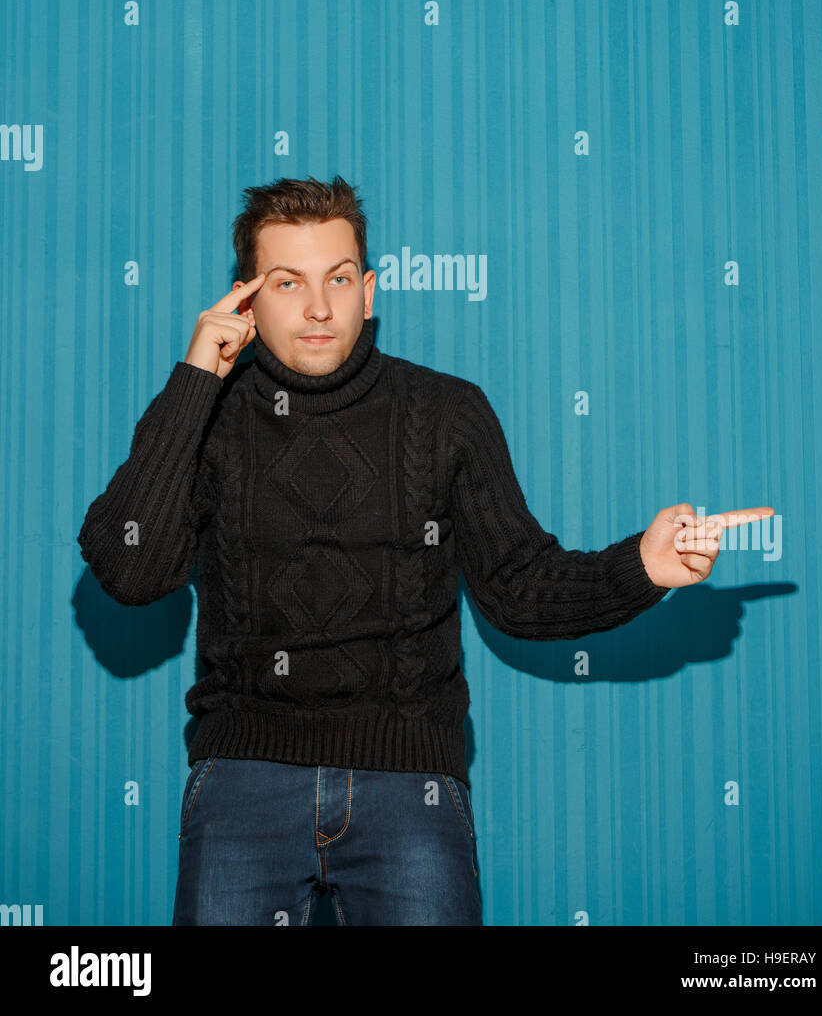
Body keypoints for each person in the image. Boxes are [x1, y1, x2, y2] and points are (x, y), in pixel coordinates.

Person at [77, 174, 773, 926]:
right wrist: (194, 381)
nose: (318, 307)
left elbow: (519, 587)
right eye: (288, 283)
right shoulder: (205, 418)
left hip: (412, 785)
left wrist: (640, 565)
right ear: (245, 299)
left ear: (369, 290)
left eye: (339, 279)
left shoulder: (446, 413)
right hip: (245, 777)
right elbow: (130, 569)